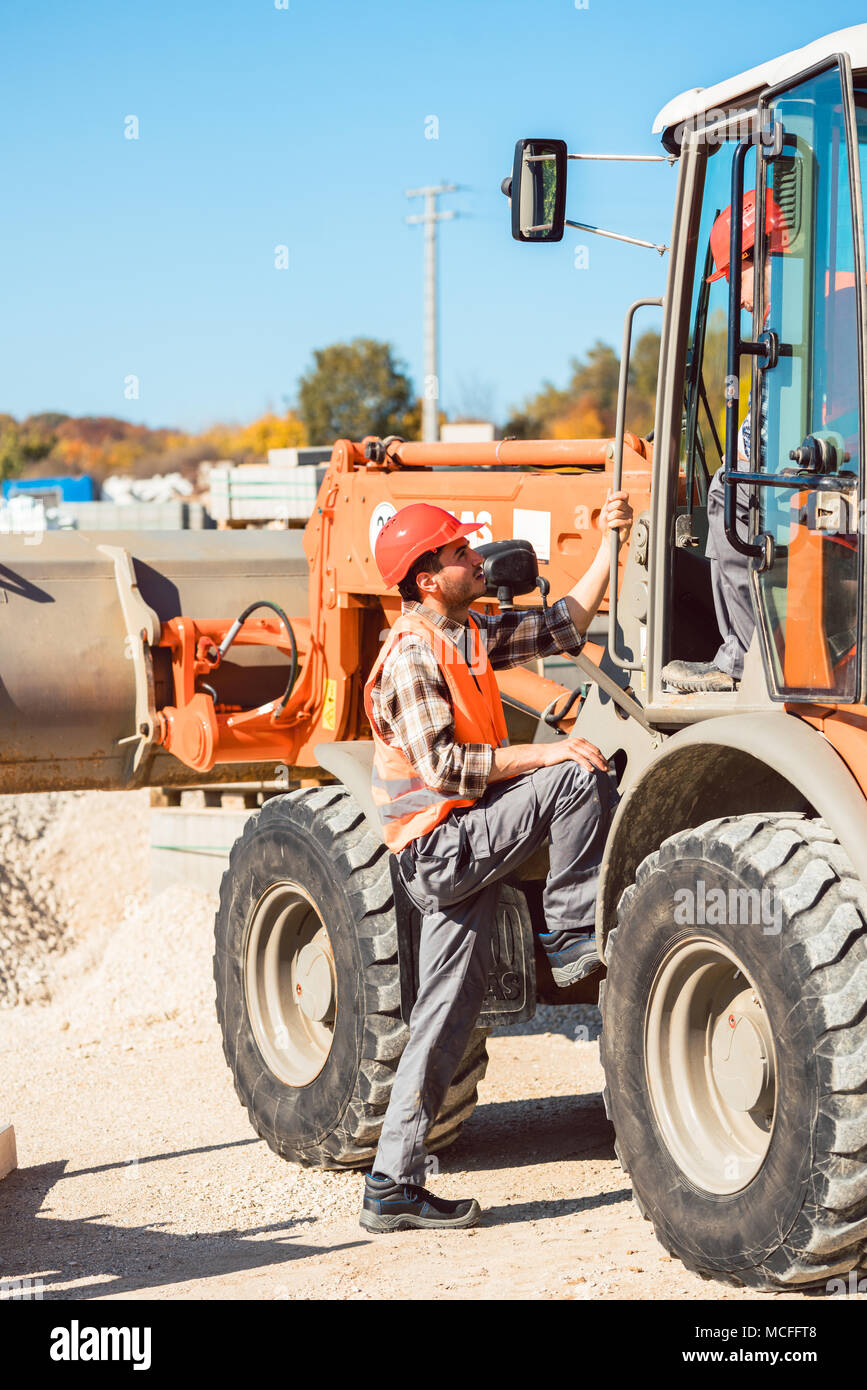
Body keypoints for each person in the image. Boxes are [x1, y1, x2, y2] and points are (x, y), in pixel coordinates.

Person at [359, 492, 632, 1232]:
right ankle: (571, 937)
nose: (475, 559)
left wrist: (610, 540)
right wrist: (544, 752)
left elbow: (563, 624)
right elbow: (445, 767)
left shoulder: (468, 630)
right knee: (575, 772)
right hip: (441, 845)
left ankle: (391, 1183)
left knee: (443, 1016)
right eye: (458, 554)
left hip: (461, 838)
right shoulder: (414, 653)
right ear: (426, 579)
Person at [662, 189, 787, 693]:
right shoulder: (822, 304)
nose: (735, 295)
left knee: (728, 491)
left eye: (736, 276)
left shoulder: (799, 322)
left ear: (763, 253)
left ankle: (742, 660)